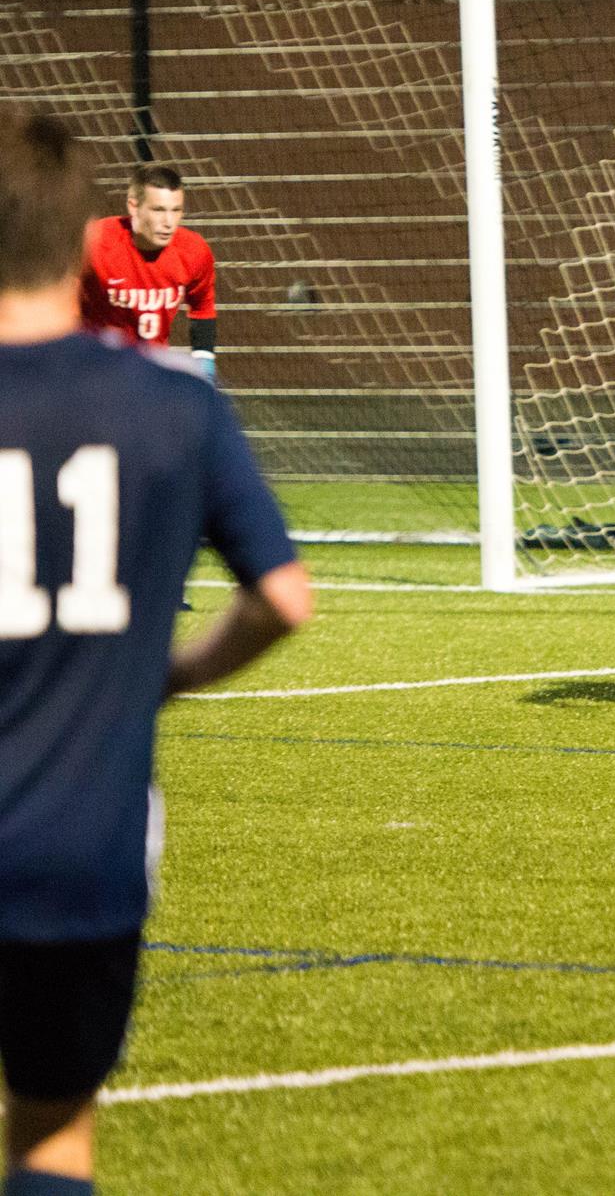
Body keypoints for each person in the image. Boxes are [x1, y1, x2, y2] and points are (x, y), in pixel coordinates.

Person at [0, 110, 312, 1196]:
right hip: (81, 851)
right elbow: (283, 597)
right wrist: (167, 673)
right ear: (85, 237)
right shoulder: (175, 407)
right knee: (50, 1133)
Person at [79, 165, 217, 382]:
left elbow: (202, 308)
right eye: (158, 210)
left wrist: (204, 362)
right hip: (95, 366)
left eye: (176, 210)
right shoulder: (95, 241)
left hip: (150, 368)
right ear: (133, 206)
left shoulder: (193, 251)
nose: (168, 222)